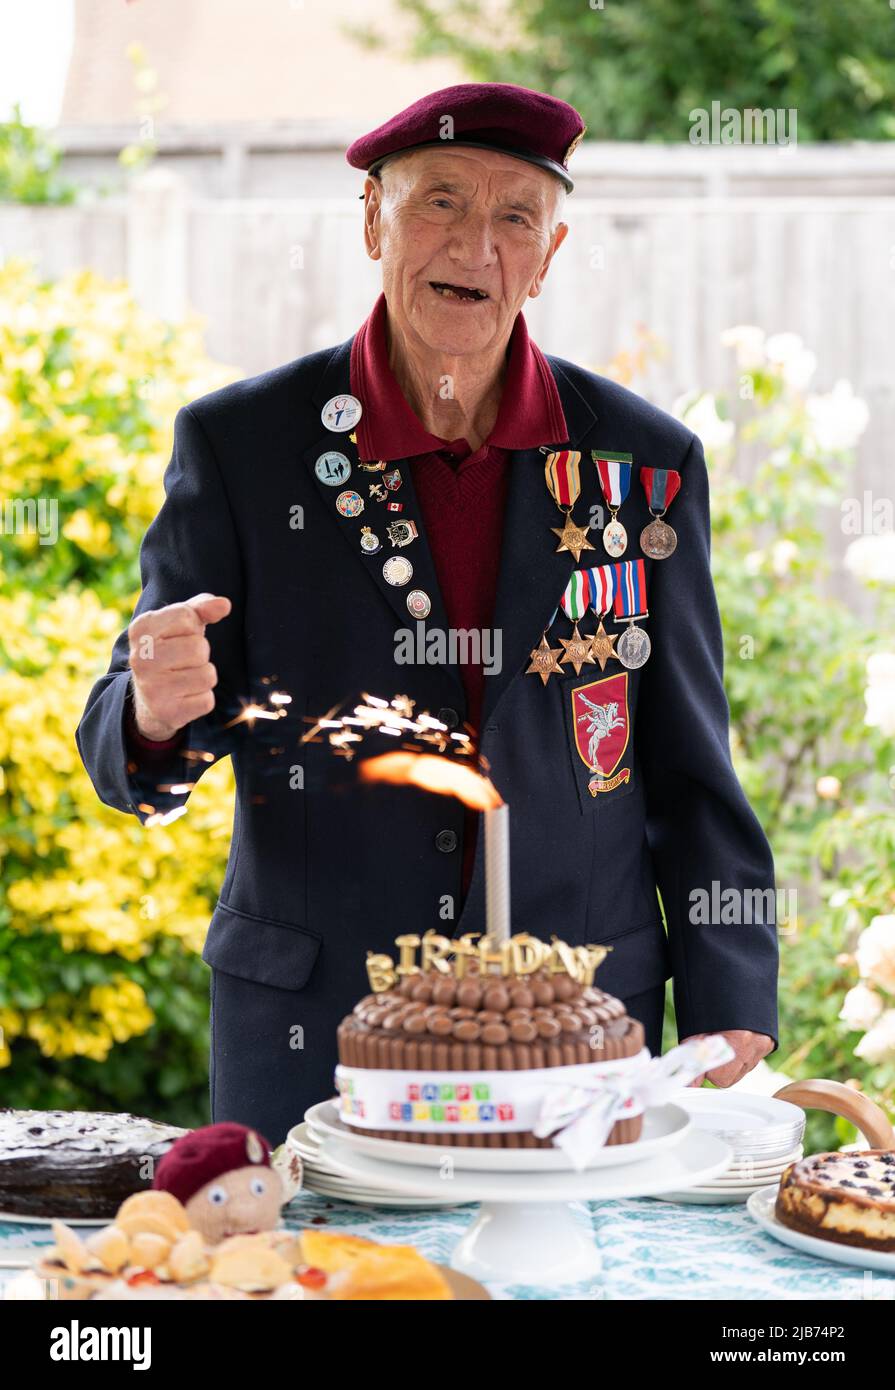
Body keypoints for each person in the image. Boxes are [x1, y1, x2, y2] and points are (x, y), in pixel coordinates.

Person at [77, 83, 777, 1144]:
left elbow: (686, 758)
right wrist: (152, 717)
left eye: (513, 218)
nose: (476, 247)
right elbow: (150, 749)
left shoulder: (644, 463)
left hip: (573, 1028)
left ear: (548, 253)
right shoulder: (243, 446)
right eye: (439, 202)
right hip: (315, 1029)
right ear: (372, 220)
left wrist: (729, 993)